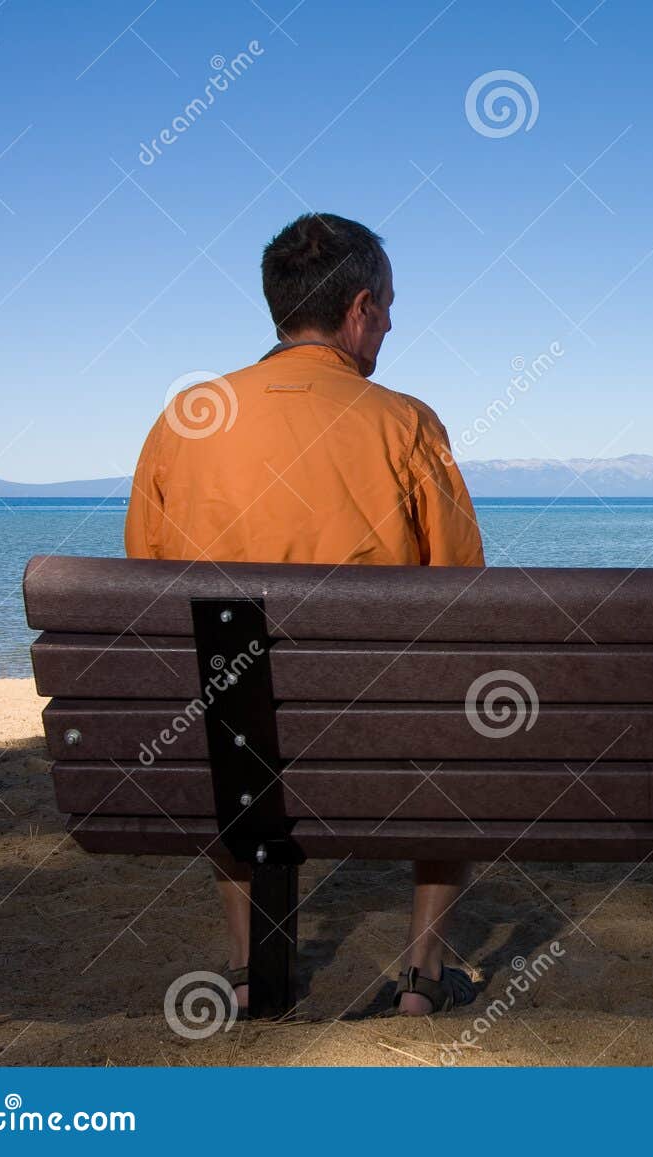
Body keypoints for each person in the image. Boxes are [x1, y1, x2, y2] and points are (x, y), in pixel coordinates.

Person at [124, 212, 485, 1016]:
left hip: (235, 754)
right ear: (359, 308)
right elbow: (465, 598)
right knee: (460, 718)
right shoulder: (409, 424)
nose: (391, 322)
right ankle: (423, 977)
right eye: (388, 305)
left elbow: (149, 599)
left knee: (221, 705)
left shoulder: (187, 420)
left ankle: (250, 968)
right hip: (382, 749)